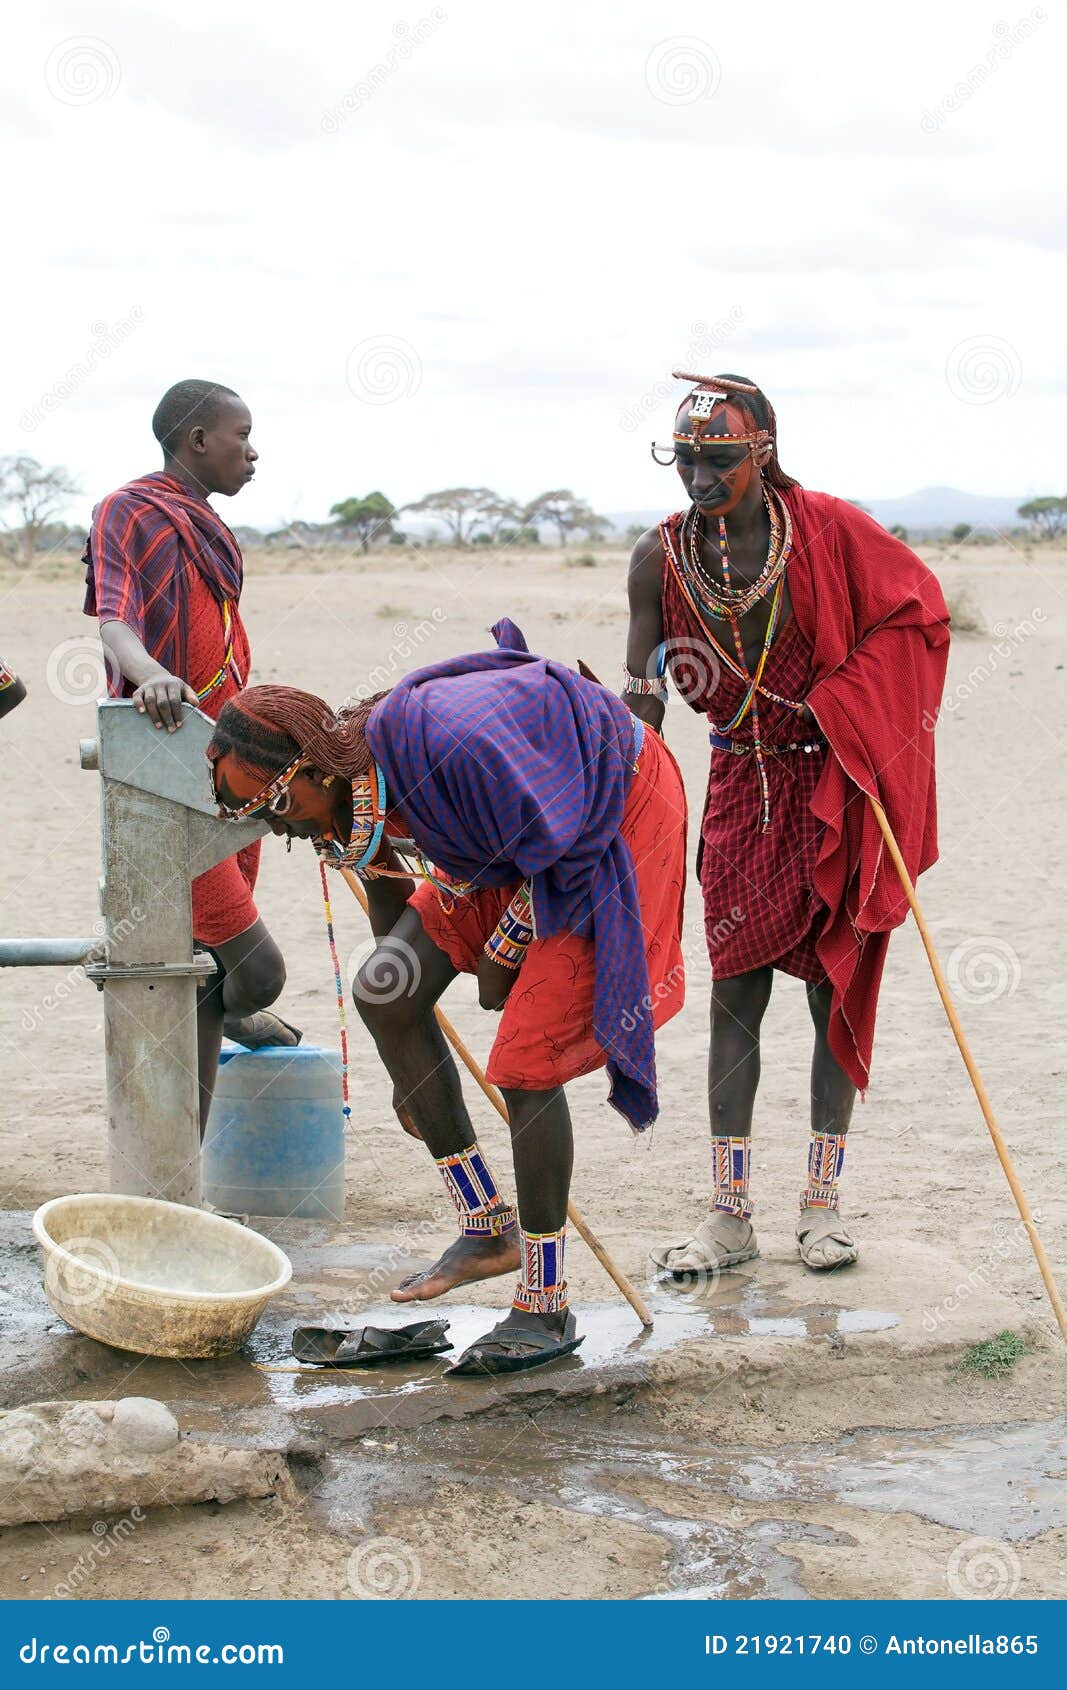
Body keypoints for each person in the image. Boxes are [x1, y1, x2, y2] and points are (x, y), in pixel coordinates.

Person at [206, 619, 687, 1373]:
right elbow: (392, 927)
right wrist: (410, 1066)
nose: (281, 829)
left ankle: (545, 1304)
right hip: (519, 832)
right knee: (381, 993)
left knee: (525, 1064)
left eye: (276, 807)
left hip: (605, 812)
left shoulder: (446, 747)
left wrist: (499, 958)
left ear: (311, 773)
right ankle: (486, 1226)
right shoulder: (350, 778)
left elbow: (557, 844)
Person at [625, 372, 949, 1274]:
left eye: (717, 458)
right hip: (737, 786)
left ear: (761, 450)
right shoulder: (657, 558)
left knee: (829, 994)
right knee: (737, 997)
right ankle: (730, 1215)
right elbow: (643, 697)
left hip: (833, 787)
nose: (697, 476)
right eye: (683, 458)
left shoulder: (829, 531)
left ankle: (820, 1207)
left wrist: (848, 706)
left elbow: (917, 614)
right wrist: (611, 740)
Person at [82, 378, 298, 1131]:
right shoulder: (128, 510)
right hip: (170, 774)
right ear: (196, 440)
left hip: (225, 770)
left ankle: (185, 1178)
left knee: (205, 973)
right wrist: (151, 678)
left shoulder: (206, 523)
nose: (253, 449)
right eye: (241, 434)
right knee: (256, 972)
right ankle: (236, 1019)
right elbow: (113, 621)